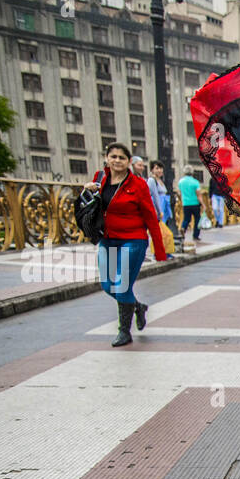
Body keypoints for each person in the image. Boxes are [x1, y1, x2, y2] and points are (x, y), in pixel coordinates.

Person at [82, 142, 168, 346]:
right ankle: (138, 307)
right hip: (108, 239)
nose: (117, 161)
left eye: (121, 157)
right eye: (113, 156)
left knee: (121, 287)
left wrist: (160, 250)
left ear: (129, 161)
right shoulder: (99, 179)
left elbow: (150, 216)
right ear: (106, 158)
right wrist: (87, 191)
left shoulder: (138, 185)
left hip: (133, 240)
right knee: (107, 285)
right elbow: (90, 206)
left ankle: (124, 332)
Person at [177, 165, 202, 242]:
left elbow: (179, 192)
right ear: (192, 172)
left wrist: (182, 200)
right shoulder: (195, 182)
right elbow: (199, 195)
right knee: (197, 219)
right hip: (195, 203)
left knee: (186, 219)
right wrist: (203, 204)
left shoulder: (181, 182)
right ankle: (196, 235)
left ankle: (183, 228)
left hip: (186, 203)